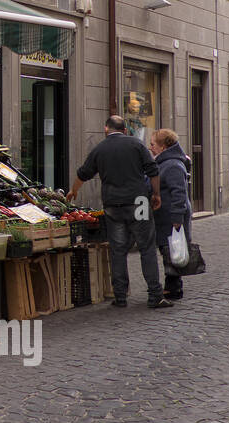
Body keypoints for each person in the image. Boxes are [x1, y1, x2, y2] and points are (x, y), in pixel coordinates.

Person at [69, 115, 172, 309]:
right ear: (125, 130)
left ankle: (120, 297)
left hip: (112, 205)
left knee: (117, 250)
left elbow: (83, 173)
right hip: (139, 202)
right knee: (146, 247)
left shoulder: (99, 149)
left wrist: (73, 190)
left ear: (106, 129)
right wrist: (156, 194)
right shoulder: (136, 145)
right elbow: (153, 171)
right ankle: (155, 296)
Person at [149, 128, 192, 300]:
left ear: (163, 146)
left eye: (153, 144)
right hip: (165, 216)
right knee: (169, 249)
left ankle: (174, 288)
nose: (150, 147)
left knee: (172, 250)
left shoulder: (172, 165)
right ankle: (172, 285)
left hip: (171, 216)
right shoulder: (164, 162)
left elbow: (179, 193)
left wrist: (177, 219)